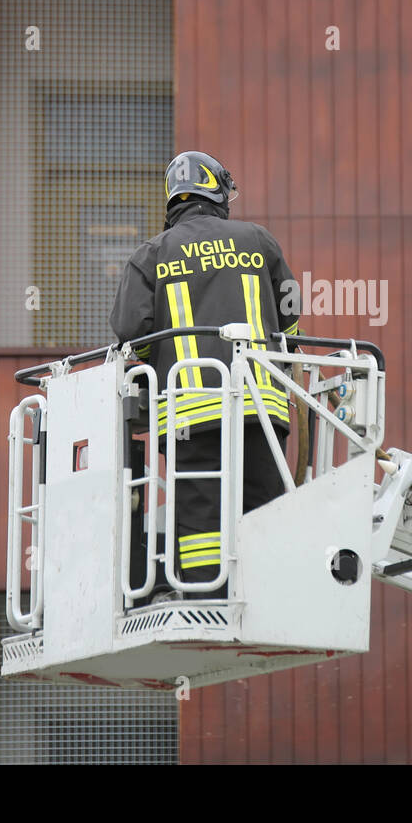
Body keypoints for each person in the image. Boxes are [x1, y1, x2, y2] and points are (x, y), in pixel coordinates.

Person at [110, 150, 301, 600]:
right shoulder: (258, 240)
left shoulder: (150, 255)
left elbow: (128, 331)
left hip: (189, 417)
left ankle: (203, 599)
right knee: (263, 510)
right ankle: (264, 597)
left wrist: (157, 356)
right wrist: (285, 351)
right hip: (261, 407)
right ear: (218, 192)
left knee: (199, 517)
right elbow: (291, 309)